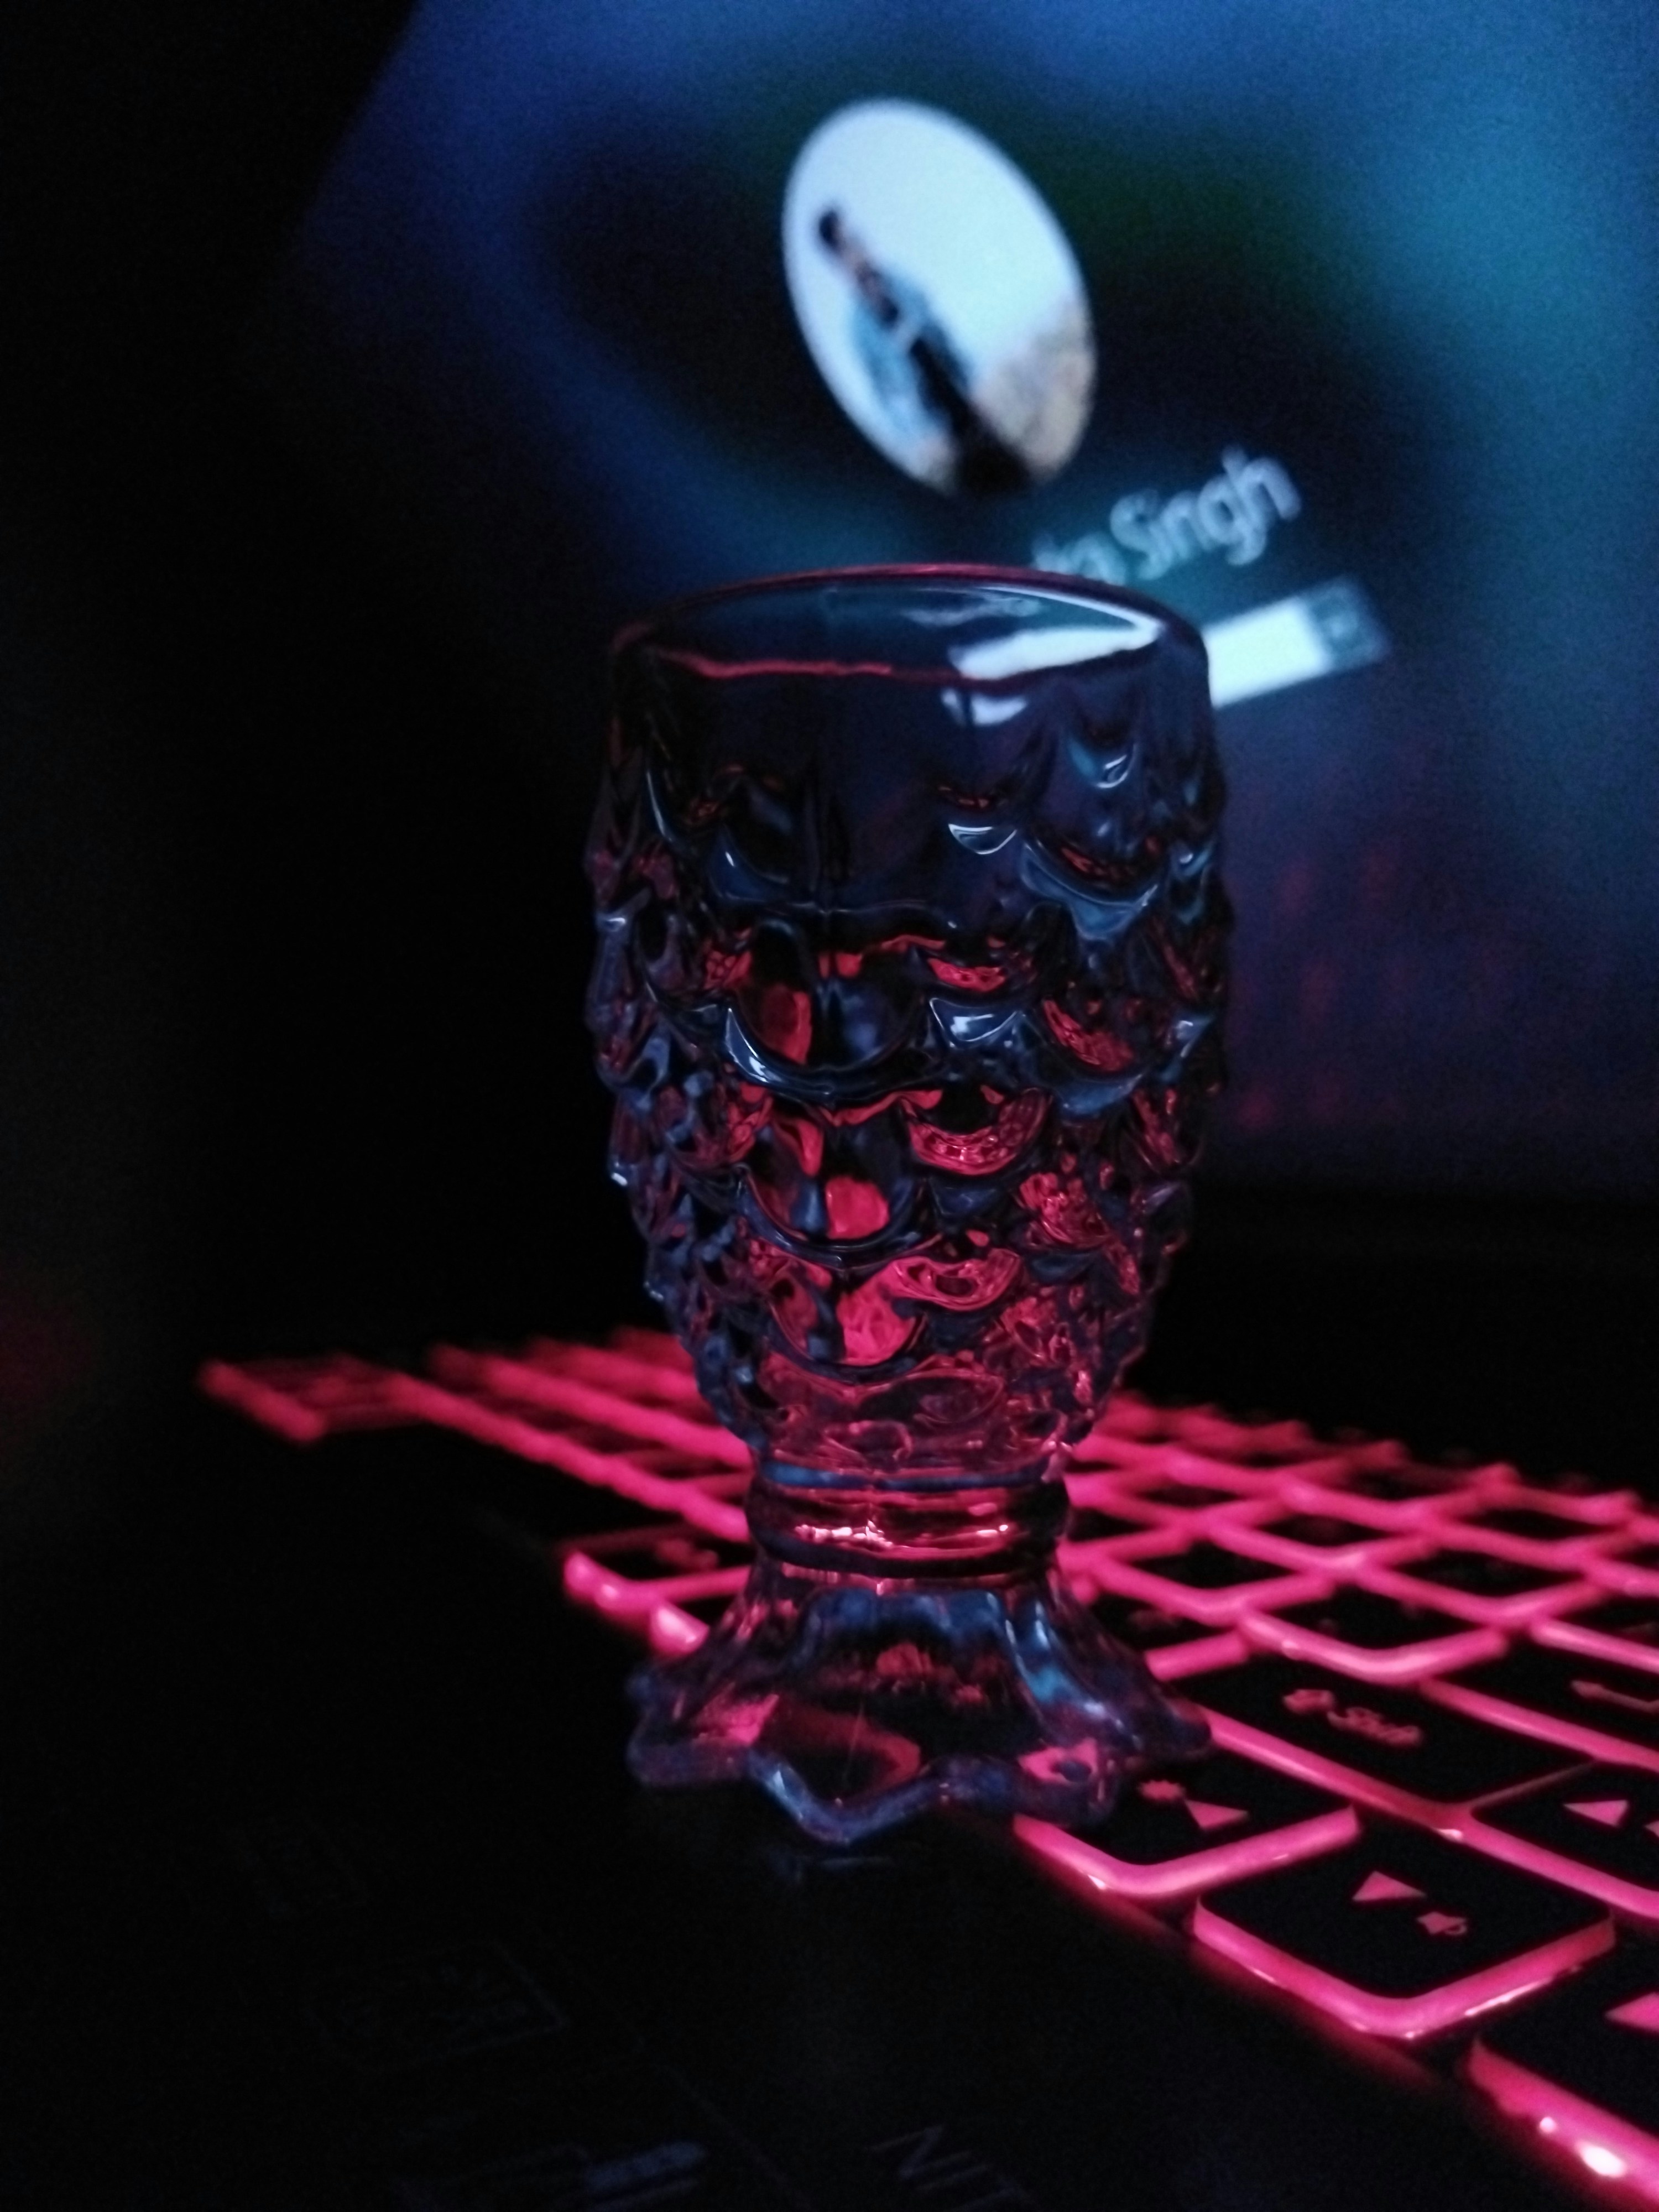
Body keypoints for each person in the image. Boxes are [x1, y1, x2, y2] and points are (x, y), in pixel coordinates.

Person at [816, 207, 1029, 496]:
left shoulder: (900, 282)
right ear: (837, 261)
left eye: (857, 236)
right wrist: (923, 437)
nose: (857, 247)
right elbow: (885, 395)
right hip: (944, 433)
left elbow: (943, 330)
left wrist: (976, 383)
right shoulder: (859, 331)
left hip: (970, 404)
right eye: (845, 245)